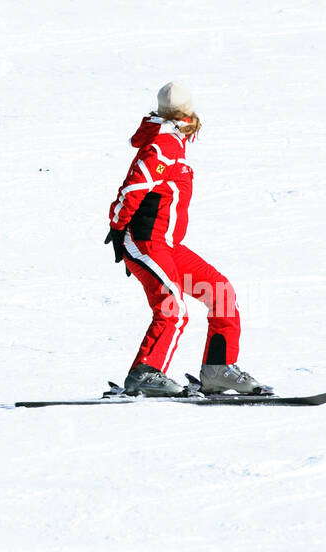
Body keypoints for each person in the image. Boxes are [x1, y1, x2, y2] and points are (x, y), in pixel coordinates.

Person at [106, 82, 268, 396]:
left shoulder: (173, 140)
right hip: (144, 241)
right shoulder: (164, 143)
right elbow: (133, 187)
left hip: (167, 244)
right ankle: (145, 373)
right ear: (187, 110)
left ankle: (218, 370)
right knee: (172, 307)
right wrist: (118, 227)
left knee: (220, 293)